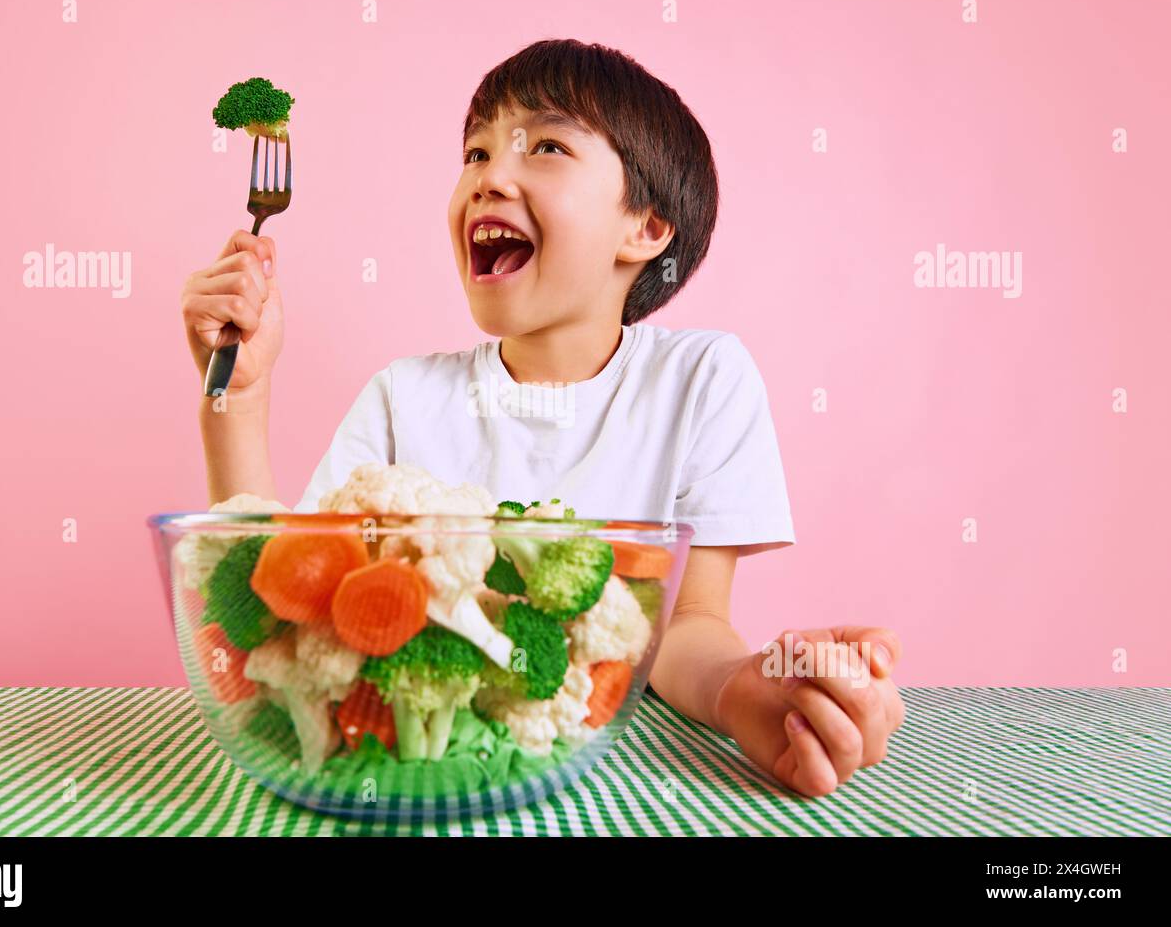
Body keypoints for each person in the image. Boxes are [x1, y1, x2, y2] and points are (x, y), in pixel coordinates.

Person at [180, 39, 904, 797]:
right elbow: (279, 606)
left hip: (622, 780)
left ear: (649, 228)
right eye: (476, 151)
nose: (490, 177)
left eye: (547, 146)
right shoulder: (404, 397)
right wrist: (239, 399)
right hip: (410, 767)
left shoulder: (700, 379)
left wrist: (740, 687)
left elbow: (685, 624)